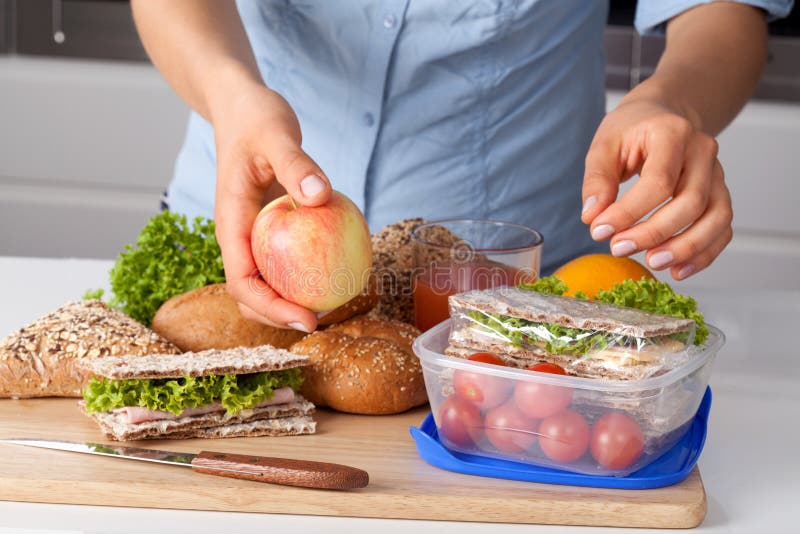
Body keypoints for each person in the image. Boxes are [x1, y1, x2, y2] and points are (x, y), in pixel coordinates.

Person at [131, 0, 792, 332]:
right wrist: (230, 94)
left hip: (514, 284)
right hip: (229, 256)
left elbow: (724, 10)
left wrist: (672, 100)